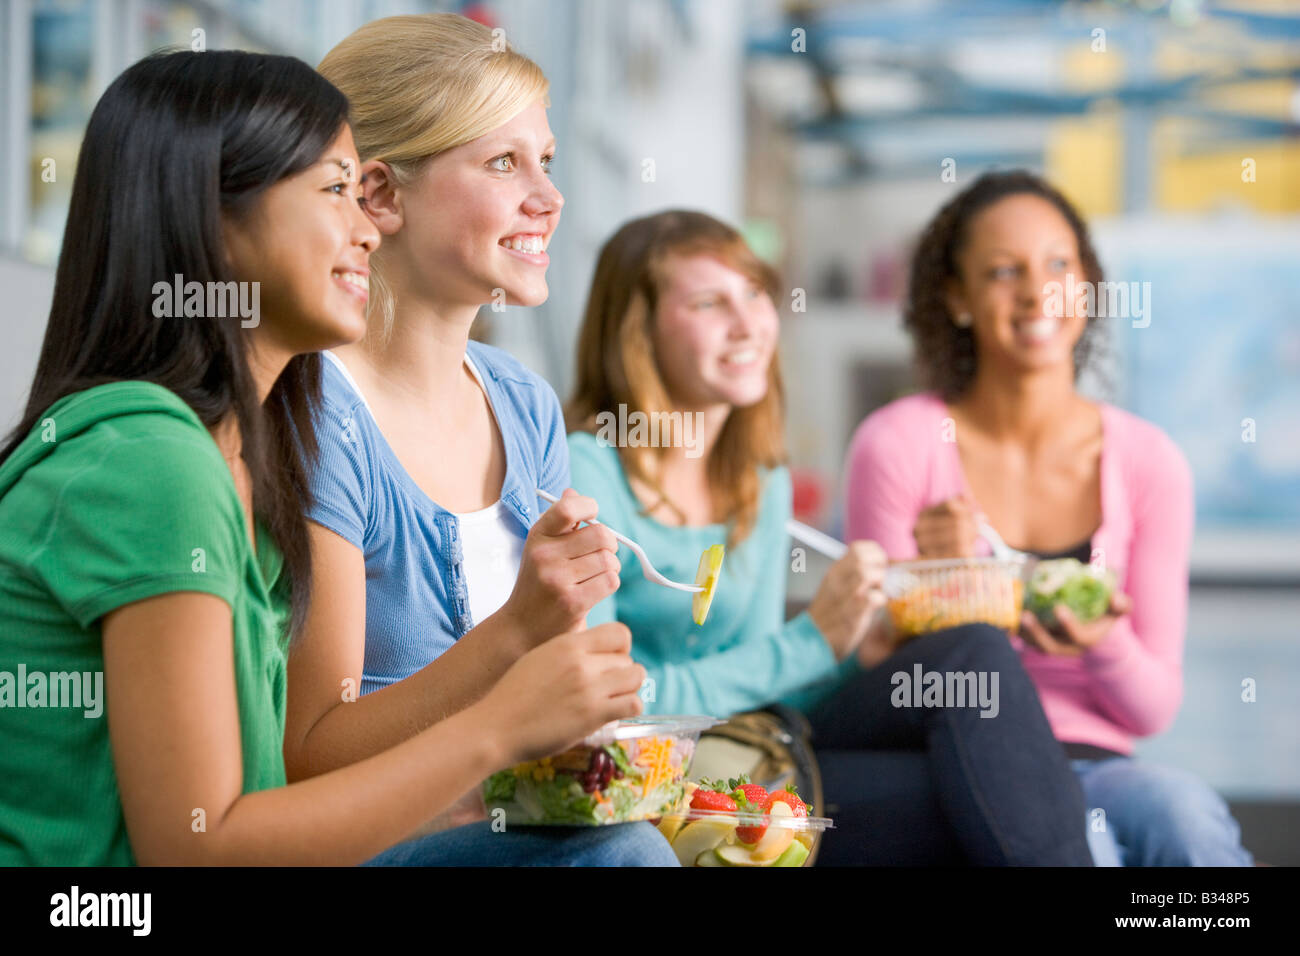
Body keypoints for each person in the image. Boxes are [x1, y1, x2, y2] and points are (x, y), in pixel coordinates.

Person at [0, 50, 650, 866]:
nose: (369, 224)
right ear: (216, 222)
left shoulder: (231, 448)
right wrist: (497, 729)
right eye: (337, 190)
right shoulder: (156, 465)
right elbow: (199, 851)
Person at [566, 209, 1095, 865]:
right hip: (645, 778)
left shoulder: (758, 476)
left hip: (754, 744)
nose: (748, 323)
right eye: (709, 302)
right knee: (980, 793)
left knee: (973, 656)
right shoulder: (586, 473)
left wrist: (859, 645)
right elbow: (609, 703)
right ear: (637, 332)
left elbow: (761, 685)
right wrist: (815, 638)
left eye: (755, 294)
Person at [282, 15, 675, 864]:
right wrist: (517, 633)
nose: (549, 196)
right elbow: (309, 755)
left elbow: (554, 706)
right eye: (504, 163)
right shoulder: (312, 412)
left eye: (549, 161)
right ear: (381, 197)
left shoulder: (523, 405)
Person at [843, 169, 1252, 866]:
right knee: (1092, 848)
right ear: (957, 299)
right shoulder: (899, 443)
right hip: (953, 761)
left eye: (1059, 264)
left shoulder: (1150, 463)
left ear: (1088, 283)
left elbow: (1152, 710)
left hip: (1099, 762)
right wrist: (930, 581)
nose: (1037, 292)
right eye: (1003, 271)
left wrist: (1103, 643)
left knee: (1187, 816)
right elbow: (866, 662)